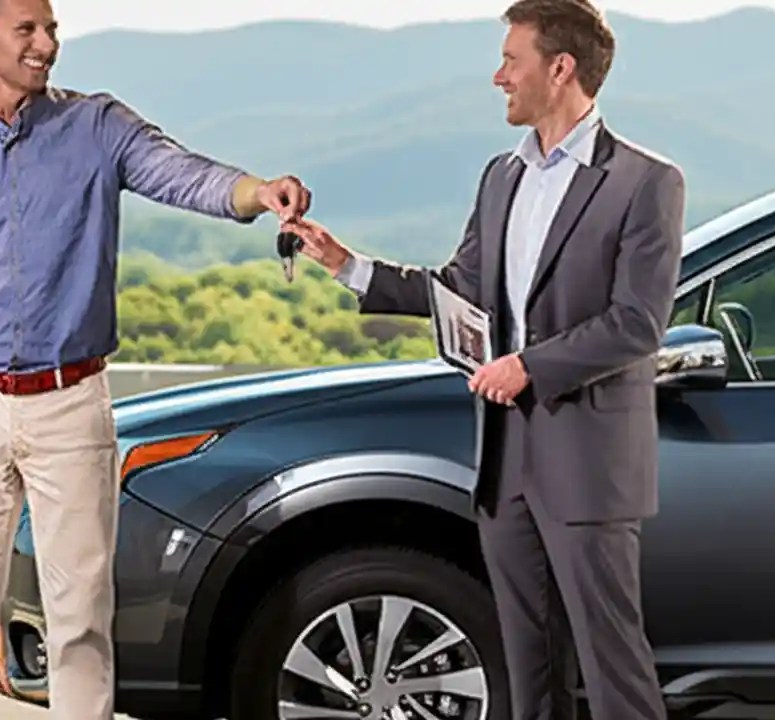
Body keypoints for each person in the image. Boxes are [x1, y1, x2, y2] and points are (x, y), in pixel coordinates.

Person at [0, 0, 311, 717]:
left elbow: (181, 173)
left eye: (50, 28)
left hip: (71, 404)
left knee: (80, 616)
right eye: (27, 30)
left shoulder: (97, 126)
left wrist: (255, 193)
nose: (47, 44)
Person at [279, 1, 684, 718]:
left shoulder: (645, 183)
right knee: (529, 668)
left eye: (511, 60)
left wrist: (527, 367)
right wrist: (346, 265)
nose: (498, 76)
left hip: (589, 466)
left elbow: (637, 323)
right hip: (507, 464)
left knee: (611, 662)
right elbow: (459, 292)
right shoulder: (502, 177)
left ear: (560, 69)